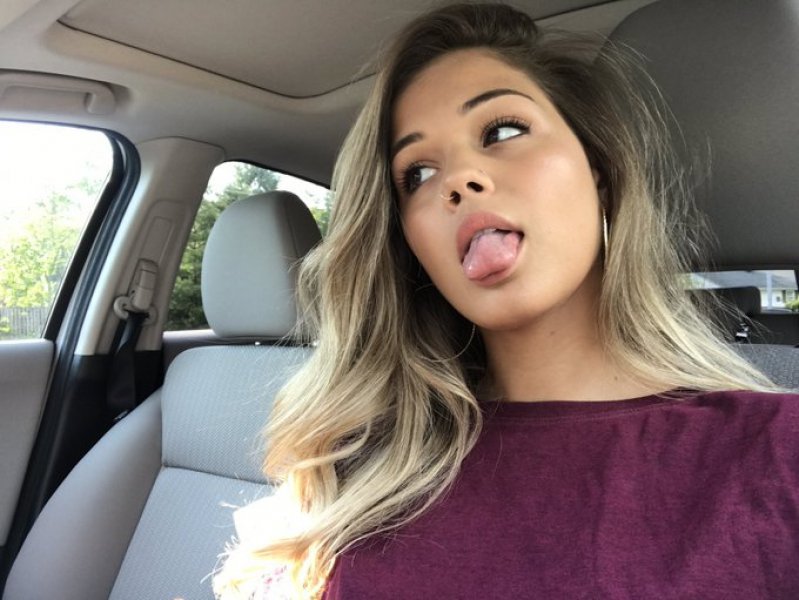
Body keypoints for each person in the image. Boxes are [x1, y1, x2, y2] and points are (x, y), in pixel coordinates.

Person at [214, 3, 799, 599]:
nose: (458, 180)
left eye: (502, 131)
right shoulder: (370, 459)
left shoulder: (779, 450)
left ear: (598, 169)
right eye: (417, 174)